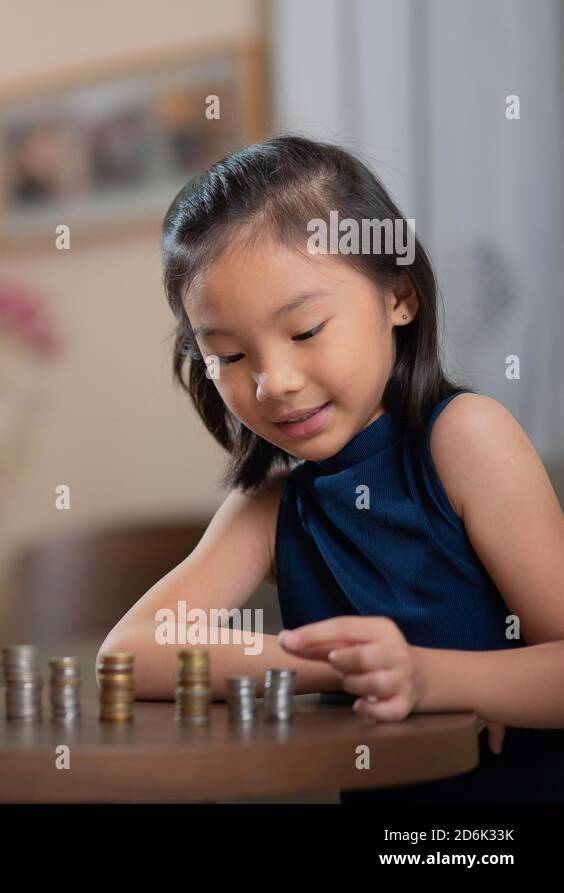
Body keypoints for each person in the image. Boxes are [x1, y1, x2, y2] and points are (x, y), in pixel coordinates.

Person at [101, 134, 564, 802]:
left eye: (306, 330)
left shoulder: (466, 438)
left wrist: (428, 676)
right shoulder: (273, 507)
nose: (273, 382)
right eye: (229, 356)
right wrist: (349, 668)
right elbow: (129, 653)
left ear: (398, 297)